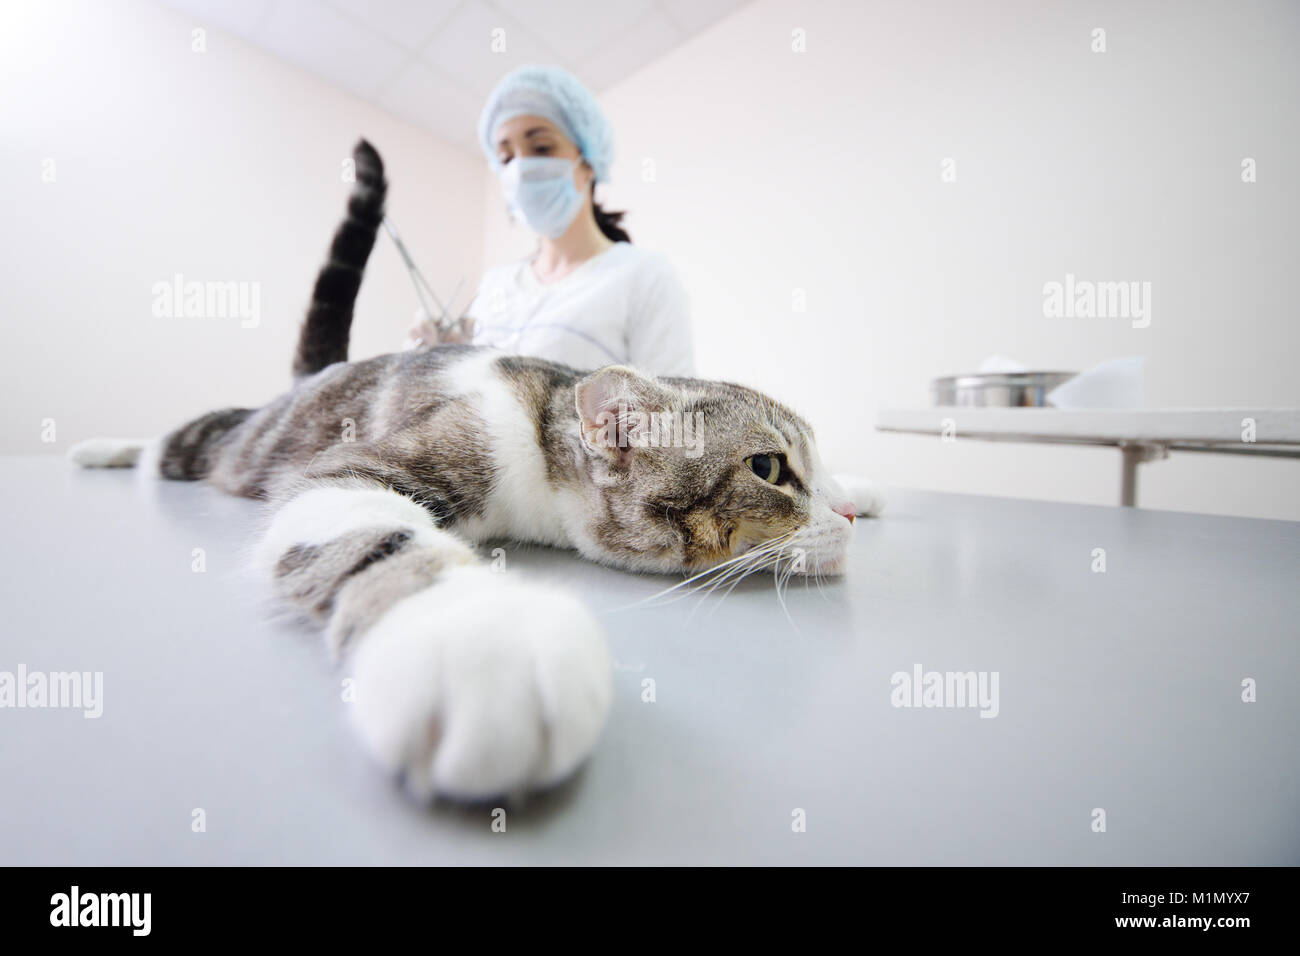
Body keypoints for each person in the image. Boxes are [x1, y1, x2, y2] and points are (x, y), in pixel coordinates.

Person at [406, 65, 694, 377]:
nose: (521, 168)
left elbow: (672, 415)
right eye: (506, 157)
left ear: (588, 162)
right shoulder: (495, 286)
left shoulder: (643, 277)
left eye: (541, 148)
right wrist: (442, 362)